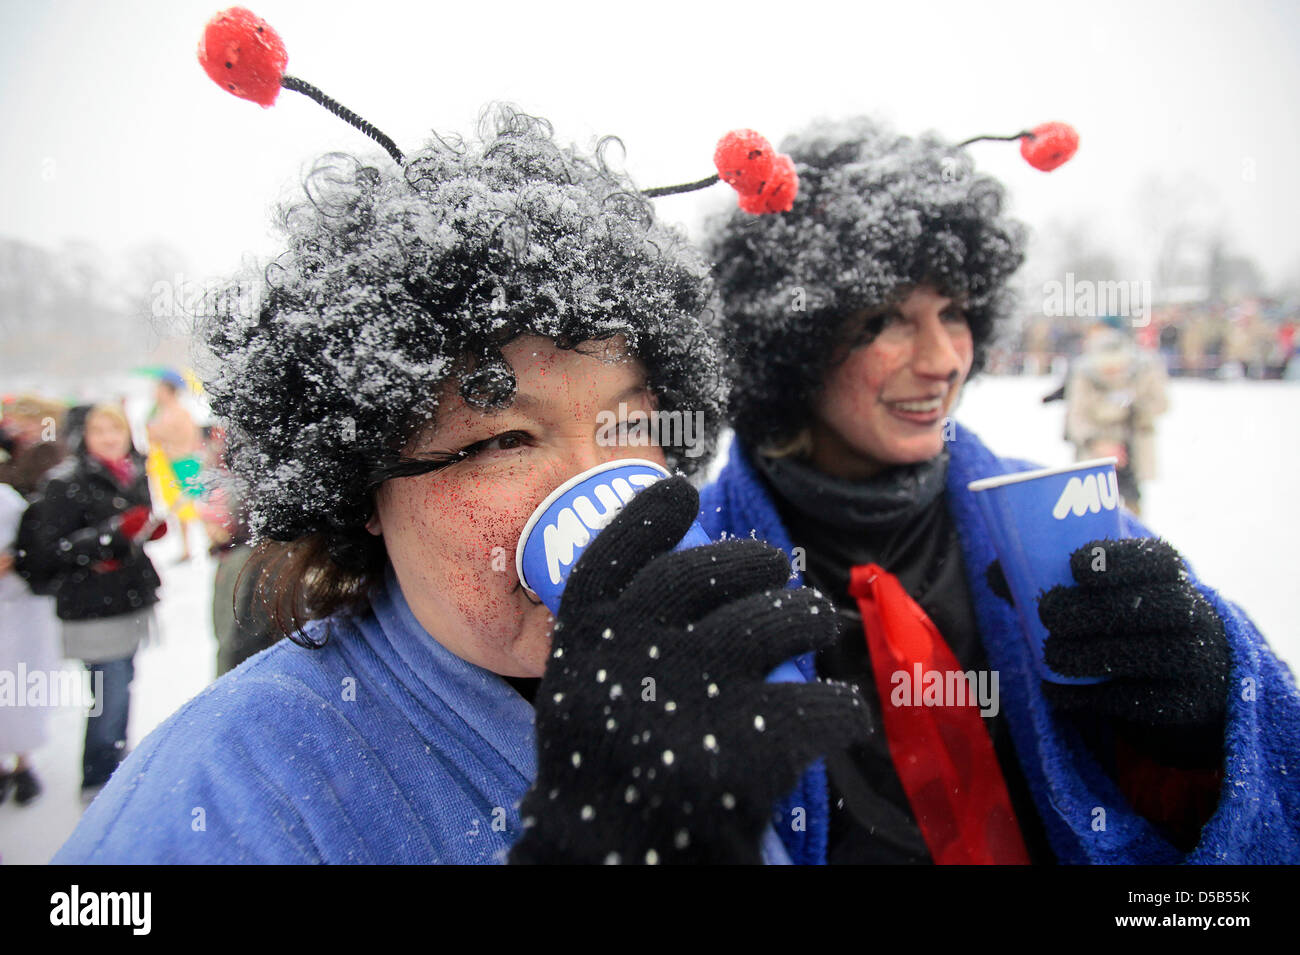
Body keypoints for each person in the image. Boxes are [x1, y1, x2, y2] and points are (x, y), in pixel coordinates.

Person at [52, 107, 866, 865]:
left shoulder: (712, 684)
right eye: (506, 439)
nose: (604, 492)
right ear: (361, 484)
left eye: (627, 424)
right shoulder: (228, 799)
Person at [700, 116, 1300, 864]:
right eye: (885, 318)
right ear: (787, 344)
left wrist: (1200, 722)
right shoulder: (697, 560)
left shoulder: (1057, 516)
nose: (944, 358)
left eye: (954, 311)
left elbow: (1258, 778)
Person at [15, 402, 165, 800]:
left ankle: (113, 759)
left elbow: (131, 527)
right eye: (100, 431)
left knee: (122, 683)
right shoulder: (66, 482)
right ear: (85, 437)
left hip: (128, 600)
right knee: (109, 691)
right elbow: (50, 549)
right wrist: (113, 535)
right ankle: (99, 777)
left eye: (116, 430)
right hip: (92, 607)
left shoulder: (133, 472)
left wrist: (147, 530)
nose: (110, 439)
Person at [0, 396, 67, 805]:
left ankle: (23, 760)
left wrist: (18, 559)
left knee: (19, 678)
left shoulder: (37, 468)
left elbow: (39, 535)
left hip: (19, 602)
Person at [1064, 317, 1168, 513]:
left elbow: (1161, 403)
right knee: (1096, 513)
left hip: (1134, 447)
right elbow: (1076, 417)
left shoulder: (1145, 368)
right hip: (1096, 454)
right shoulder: (1084, 372)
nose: (1112, 372)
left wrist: (1132, 406)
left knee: (1131, 511)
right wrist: (1097, 443)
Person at [145, 371, 204, 562]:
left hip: (181, 463)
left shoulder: (179, 411)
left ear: (168, 390)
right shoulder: (163, 411)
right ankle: (186, 546)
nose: (155, 392)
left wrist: (160, 433)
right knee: (179, 509)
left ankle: (197, 544)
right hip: (169, 465)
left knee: (188, 507)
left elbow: (186, 436)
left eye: (159, 388)